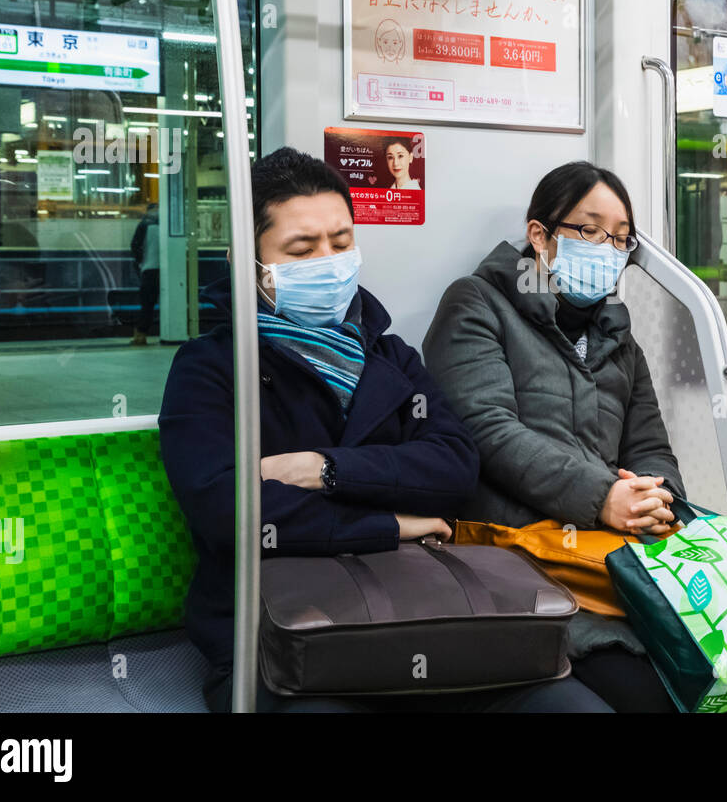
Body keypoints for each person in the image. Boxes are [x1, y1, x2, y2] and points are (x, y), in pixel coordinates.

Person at [159, 147, 610, 713]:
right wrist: (389, 524)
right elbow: (230, 512)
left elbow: (452, 466)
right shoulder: (212, 369)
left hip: (421, 611)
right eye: (302, 249)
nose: (328, 260)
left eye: (341, 243)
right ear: (247, 263)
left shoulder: (390, 356)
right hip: (283, 634)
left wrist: (324, 470)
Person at [423, 161, 727, 714]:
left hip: (620, 557)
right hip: (526, 562)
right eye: (589, 230)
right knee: (650, 698)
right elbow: (487, 431)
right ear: (539, 235)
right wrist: (602, 497)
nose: (605, 247)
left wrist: (653, 500)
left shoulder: (618, 338)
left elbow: (650, 447)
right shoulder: (476, 305)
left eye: (619, 238)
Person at [129, 201, 160, 345]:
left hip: (149, 269)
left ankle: (140, 335)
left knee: (147, 304)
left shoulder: (143, 225)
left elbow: (135, 245)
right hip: (167, 270)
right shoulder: (167, 225)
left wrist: (141, 263)